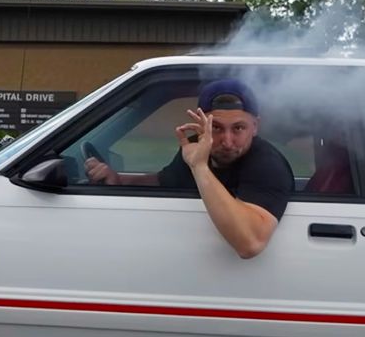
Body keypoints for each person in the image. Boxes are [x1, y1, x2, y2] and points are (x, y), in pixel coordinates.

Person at [85, 79, 292, 259]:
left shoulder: (267, 164)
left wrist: (199, 166)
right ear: (200, 124)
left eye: (238, 128)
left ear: (255, 126)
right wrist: (119, 180)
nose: (227, 141)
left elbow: (249, 244)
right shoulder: (196, 146)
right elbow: (165, 181)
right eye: (216, 127)